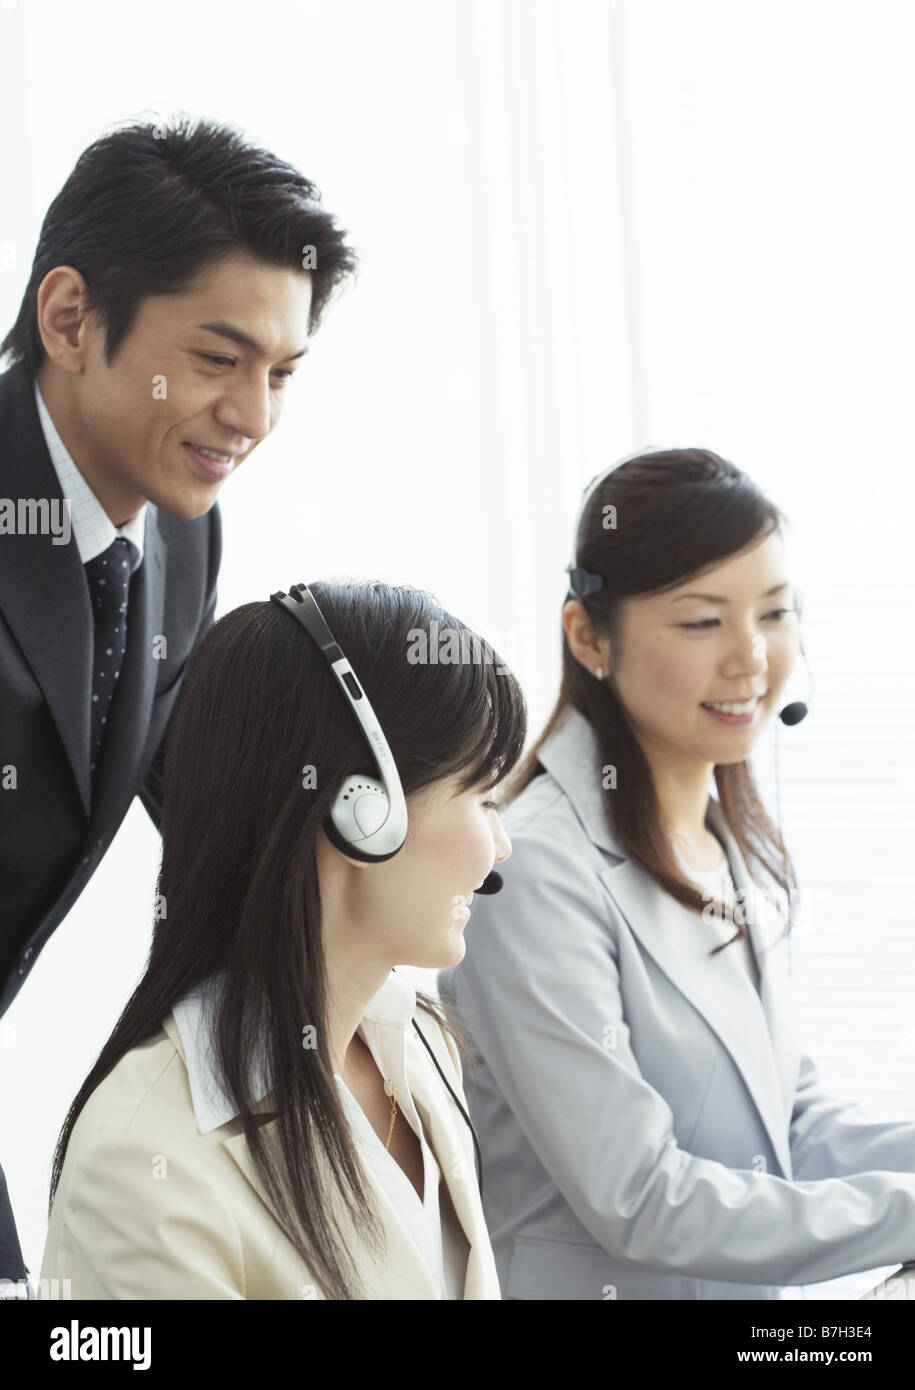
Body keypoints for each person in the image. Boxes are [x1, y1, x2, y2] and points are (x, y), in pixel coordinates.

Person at [0, 113, 356, 1294]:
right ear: (69, 319)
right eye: (217, 359)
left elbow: (210, 798)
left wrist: (402, 851)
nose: (253, 418)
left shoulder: (177, 540)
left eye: (281, 374)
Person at [439, 447, 915, 1300]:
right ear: (590, 635)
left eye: (775, 614)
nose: (752, 659)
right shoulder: (533, 867)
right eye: (703, 622)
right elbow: (640, 1197)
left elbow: (790, 1123)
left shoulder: (709, 828)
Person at [39, 580, 525, 1299]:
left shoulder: (417, 1045)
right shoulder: (139, 1159)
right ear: (364, 812)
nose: (502, 847)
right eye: (483, 797)